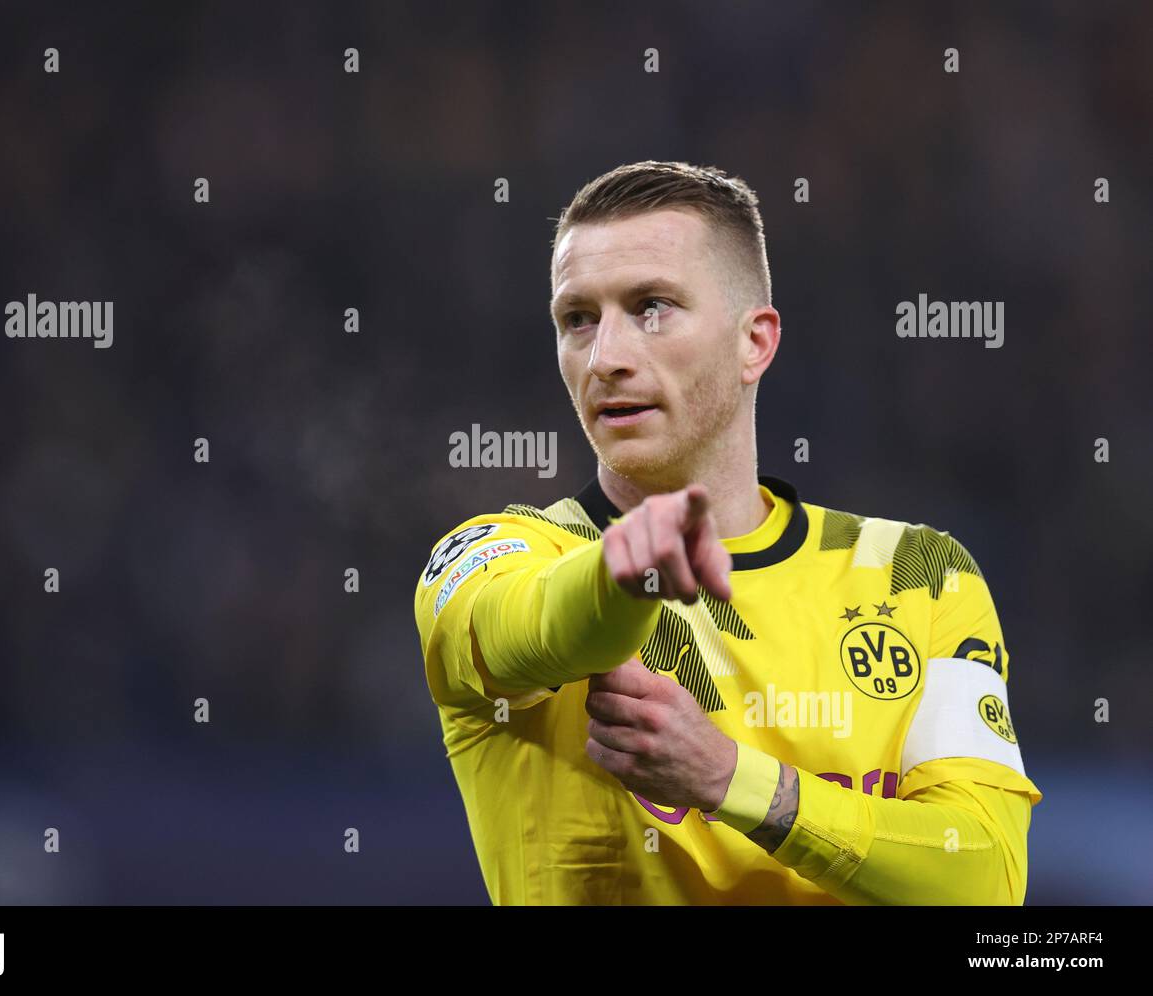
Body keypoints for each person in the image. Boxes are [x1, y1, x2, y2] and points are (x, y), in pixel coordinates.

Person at [412, 161, 1042, 905]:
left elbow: (982, 879)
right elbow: (529, 629)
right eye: (578, 318)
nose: (605, 358)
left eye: (651, 307)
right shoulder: (499, 555)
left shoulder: (919, 571)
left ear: (755, 343)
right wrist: (616, 576)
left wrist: (731, 780)